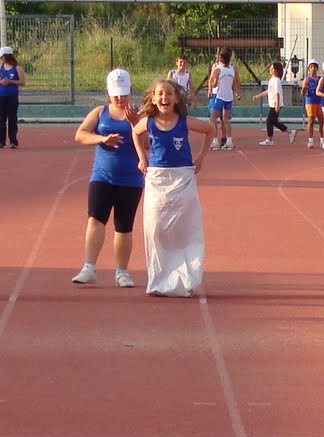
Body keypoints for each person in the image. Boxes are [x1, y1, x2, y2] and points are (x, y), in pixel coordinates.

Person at [133, 78, 214, 297]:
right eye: (160, 94)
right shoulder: (148, 122)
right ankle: (159, 280)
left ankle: (187, 278)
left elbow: (210, 130)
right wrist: (142, 157)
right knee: (155, 228)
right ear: (153, 98)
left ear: (176, 98)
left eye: (169, 93)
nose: (164, 98)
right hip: (157, 179)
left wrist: (201, 159)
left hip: (183, 178)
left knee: (185, 228)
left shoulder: (184, 121)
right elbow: (135, 133)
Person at [71, 69, 145, 288]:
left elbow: (150, 143)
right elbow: (80, 134)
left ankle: (122, 272)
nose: (120, 98)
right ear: (108, 92)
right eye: (115, 94)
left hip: (130, 179)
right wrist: (102, 139)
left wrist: (133, 123)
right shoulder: (99, 112)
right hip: (102, 176)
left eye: (123, 93)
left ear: (130, 91)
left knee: (124, 226)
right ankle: (89, 267)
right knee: (95, 219)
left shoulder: (139, 115)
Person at [204, 47, 238, 150]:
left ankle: (215, 141)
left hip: (219, 97)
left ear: (220, 58)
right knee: (226, 119)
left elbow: (213, 83)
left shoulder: (218, 70)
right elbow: (235, 83)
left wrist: (212, 87)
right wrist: (237, 92)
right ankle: (229, 141)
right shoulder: (232, 70)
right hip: (229, 97)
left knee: (213, 118)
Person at [0, 45, 24, 149]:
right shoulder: (0, 67)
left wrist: (10, 81)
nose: (1, 59)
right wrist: (1, 82)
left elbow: (22, 82)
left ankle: (13, 141)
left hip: (12, 96)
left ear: (7, 56)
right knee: (1, 118)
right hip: (1, 96)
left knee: (12, 118)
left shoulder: (17, 68)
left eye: (2, 57)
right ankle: (1, 141)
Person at [258, 61, 296, 146]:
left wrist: (277, 104)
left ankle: (269, 139)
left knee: (269, 121)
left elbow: (277, 93)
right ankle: (289, 132)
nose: (271, 70)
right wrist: (258, 95)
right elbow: (269, 91)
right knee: (274, 121)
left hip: (275, 104)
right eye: (271, 68)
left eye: (272, 68)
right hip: (272, 103)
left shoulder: (277, 81)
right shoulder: (272, 79)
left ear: (276, 70)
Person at [301, 60, 324, 147]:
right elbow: (303, 93)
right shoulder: (307, 79)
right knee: (311, 121)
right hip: (310, 102)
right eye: (311, 67)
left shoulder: (320, 79)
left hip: (319, 101)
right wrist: (304, 88)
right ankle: (310, 140)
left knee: (321, 121)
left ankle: (322, 139)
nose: (313, 69)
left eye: (315, 67)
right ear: (309, 68)